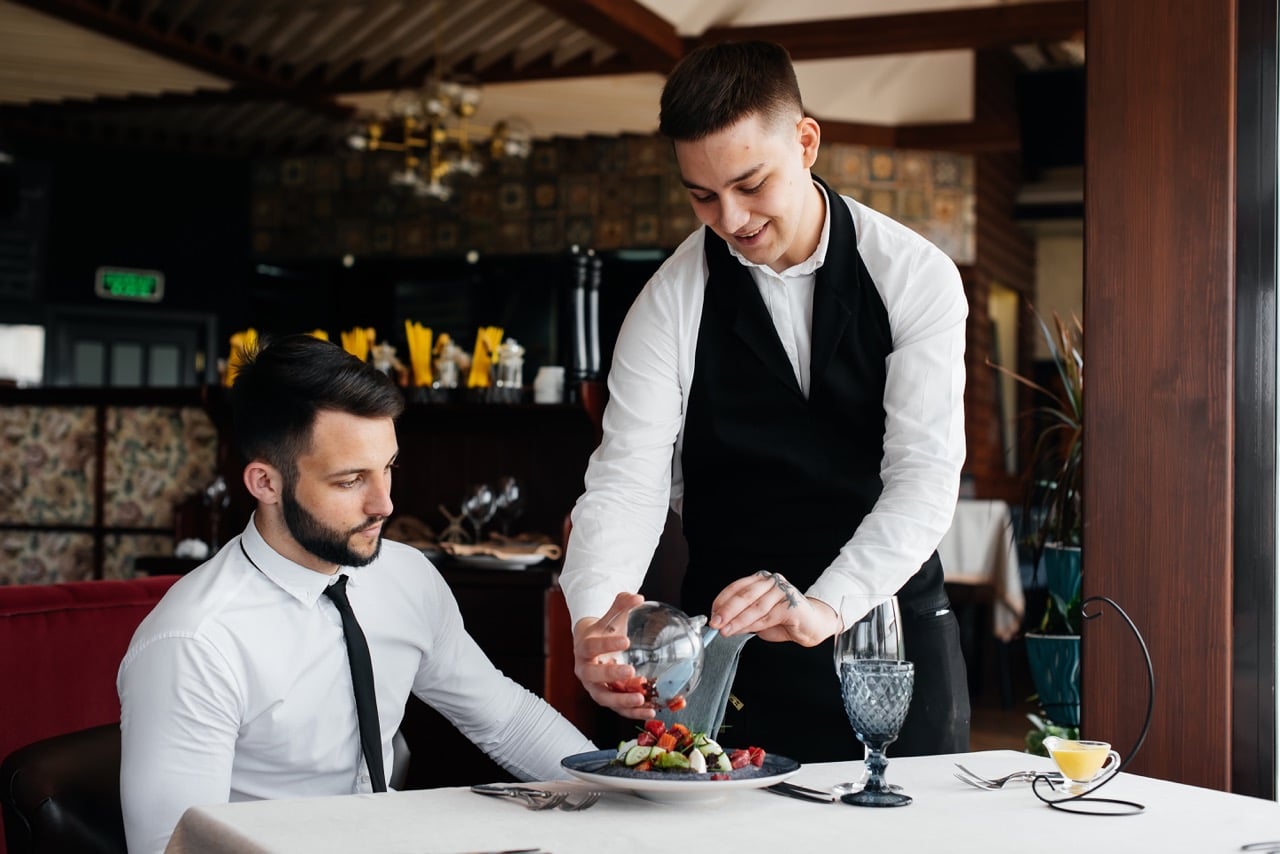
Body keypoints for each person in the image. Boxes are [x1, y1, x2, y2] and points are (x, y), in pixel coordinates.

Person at [560, 40, 970, 762]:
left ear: (806, 142)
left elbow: (923, 476)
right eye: (702, 195)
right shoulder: (667, 304)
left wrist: (828, 605)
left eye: (750, 184)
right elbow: (626, 483)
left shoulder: (914, 276)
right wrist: (594, 620)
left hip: (885, 637)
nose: (730, 217)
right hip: (731, 653)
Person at [118, 334, 594, 854]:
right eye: (350, 481)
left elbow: (508, 721)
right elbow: (171, 847)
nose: (384, 504)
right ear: (265, 483)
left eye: (388, 467)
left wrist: (625, 787)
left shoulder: (406, 576)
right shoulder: (195, 642)